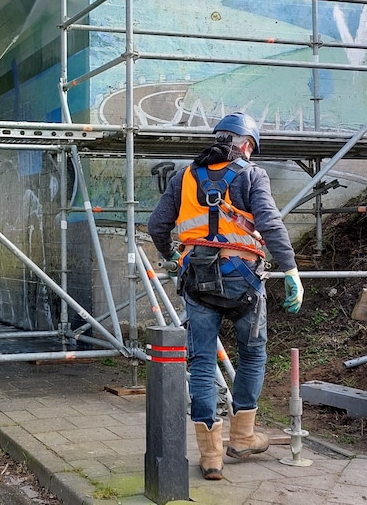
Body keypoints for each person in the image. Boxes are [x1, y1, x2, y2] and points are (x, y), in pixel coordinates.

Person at [147, 111, 303, 481]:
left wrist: (171, 257)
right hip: (244, 282)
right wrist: (291, 269)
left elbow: (157, 226)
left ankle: (210, 457)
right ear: (246, 145)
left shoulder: (184, 176)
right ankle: (243, 436)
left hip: (197, 281)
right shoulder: (252, 174)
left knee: (202, 362)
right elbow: (269, 221)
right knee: (252, 354)